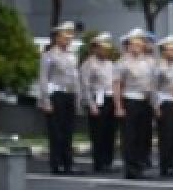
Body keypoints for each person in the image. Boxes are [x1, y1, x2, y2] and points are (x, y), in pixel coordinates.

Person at [112, 29, 155, 180]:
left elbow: (152, 84)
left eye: (140, 43)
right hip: (130, 101)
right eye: (133, 44)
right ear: (128, 46)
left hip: (145, 101)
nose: (137, 47)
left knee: (142, 135)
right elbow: (117, 85)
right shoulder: (122, 63)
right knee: (129, 136)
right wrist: (118, 106)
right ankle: (130, 168)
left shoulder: (149, 62)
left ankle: (139, 164)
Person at [39, 21, 81, 175]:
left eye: (70, 37)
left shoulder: (72, 55)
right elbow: (44, 78)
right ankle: (56, 164)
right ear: (57, 38)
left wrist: (77, 97)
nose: (68, 39)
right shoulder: (49, 55)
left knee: (68, 131)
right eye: (65, 36)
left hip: (69, 95)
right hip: (56, 95)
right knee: (56, 132)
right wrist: (46, 100)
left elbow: (75, 77)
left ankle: (68, 163)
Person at [79, 33, 117, 173]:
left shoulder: (110, 64)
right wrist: (91, 104)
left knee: (109, 132)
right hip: (96, 99)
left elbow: (114, 83)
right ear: (95, 49)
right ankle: (99, 162)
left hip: (109, 99)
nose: (105, 51)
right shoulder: (88, 64)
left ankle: (108, 161)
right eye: (102, 48)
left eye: (106, 48)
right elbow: (85, 86)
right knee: (98, 133)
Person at [153, 35, 173, 177]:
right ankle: (165, 165)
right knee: (166, 136)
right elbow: (154, 88)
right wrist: (156, 107)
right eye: (170, 50)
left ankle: (172, 163)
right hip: (165, 103)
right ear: (163, 52)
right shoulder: (159, 68)